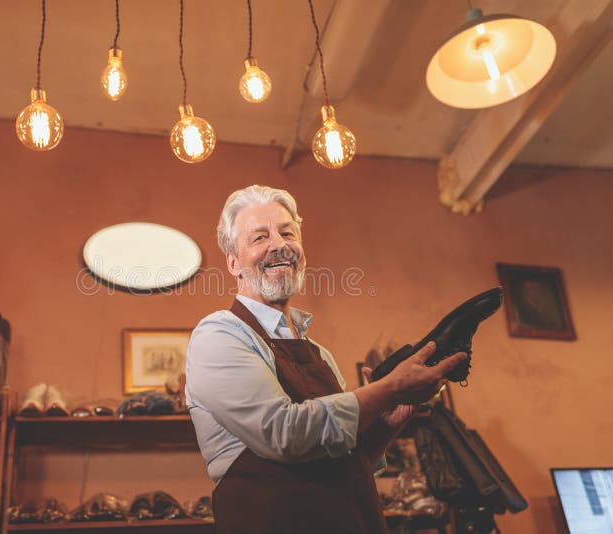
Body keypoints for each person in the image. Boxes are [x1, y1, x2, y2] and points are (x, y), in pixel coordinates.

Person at [185, 185, 468, 533]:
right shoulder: (219, 334)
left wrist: (392, 418)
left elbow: (348, 458)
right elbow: (283, 433)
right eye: (260, 237)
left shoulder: (319, 353)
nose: (279, 245)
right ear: (233, 263)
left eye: (288, 233)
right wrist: (389, 389)